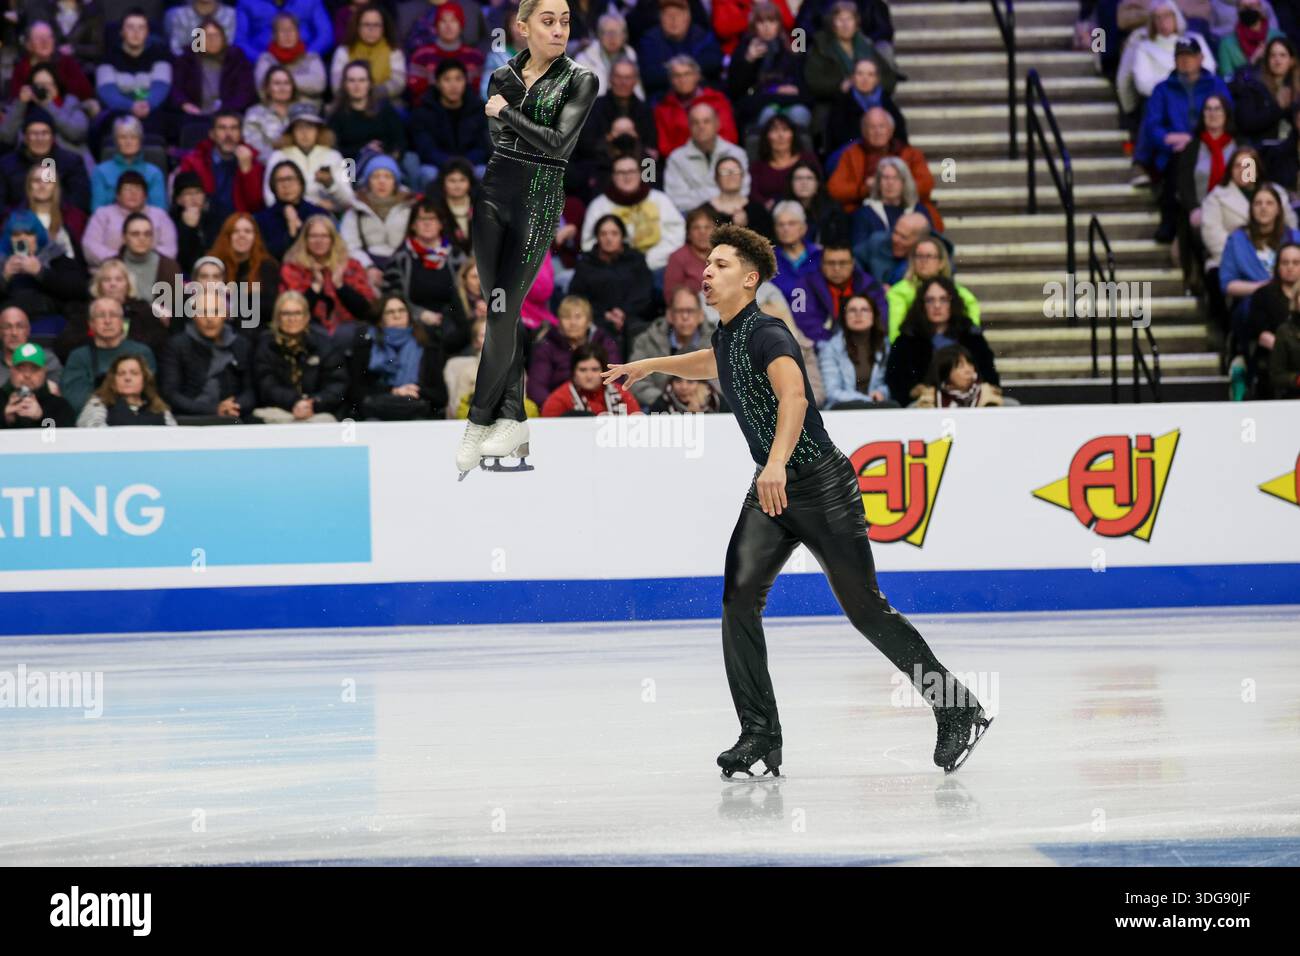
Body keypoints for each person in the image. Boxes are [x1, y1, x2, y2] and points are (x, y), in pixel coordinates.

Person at [602, 224, 992, 778]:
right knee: (738, 601)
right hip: (773, 490)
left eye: (719, 265)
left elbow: (794, 394)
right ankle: (759, 733)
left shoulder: (770, 332)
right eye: (705, 265)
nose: (706, 273)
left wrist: (777, 462)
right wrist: (651, 365)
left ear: (750, 278)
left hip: (819, 485)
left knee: (866, 611)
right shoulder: (727, 335)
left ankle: (957, 709)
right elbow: (715, 364)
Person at [456, 0, 599, 476]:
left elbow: (558, 144)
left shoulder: (581, 79)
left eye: (564, 22)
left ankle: (479, 421)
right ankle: (513, 417)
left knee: (502, 310)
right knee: (497, 307)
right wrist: (518, 124)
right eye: (548, 21)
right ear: (522, 27)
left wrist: (508, 116)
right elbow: (505, 143)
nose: (559, 30)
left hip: (538, 202)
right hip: (494, 194)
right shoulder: (502, 79)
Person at [886, 276, 1001, 404]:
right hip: (924, 404)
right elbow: (897, 382)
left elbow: (989, 374)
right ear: (921, 304)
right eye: (930, 300)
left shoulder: (971, 335)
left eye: (943, 299)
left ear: (953, 303)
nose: (937, 305)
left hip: (972, 400)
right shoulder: (907, 338)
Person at [159, 282, 255, 422]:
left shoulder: (241, 344)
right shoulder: (176, 345)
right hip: (189, 418)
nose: (209, 319)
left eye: (216, 312)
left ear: (226, 315)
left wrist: (233, 407)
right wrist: (214, 409)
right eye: (203, 312)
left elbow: (251, 391)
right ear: (193, 315)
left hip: (234, 416)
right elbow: (170, 393)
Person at [251, 291, 348, 422]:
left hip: (316, 411)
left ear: (307, 316)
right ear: (277, 317)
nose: (292, 318)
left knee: (325, 421)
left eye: (297, 313)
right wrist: (294, 402)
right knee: (261, 417)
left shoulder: (323, 345)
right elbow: (266, 385)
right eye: (286, 313)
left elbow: (336, 383)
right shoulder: (266, 346)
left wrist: (313, 403)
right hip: (279, 410)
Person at [357, 294, 448, 420]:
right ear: (380, 318)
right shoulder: (368, 346)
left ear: (409, 315)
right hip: (378, 412)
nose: (397, 316)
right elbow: (357, 392)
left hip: (417, 410)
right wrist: (393, 391)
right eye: (390, 312)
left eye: (401, 310)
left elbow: (440, 396)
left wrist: (417, 391)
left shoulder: (426, 346)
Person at [60, 297, 156, 413]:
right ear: (91, 324)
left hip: (136, 416)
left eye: (114, 315)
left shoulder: (141, 352)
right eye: (101, 316)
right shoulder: (78, 357)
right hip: (92, 419)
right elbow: (76, 398)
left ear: (122, 322)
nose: (107, 321)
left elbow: (149, 393)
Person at [627, 283, 717, 407]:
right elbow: (635, 380)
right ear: (670, 315)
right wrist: (666, 401)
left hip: (708, 407)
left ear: (701, 315)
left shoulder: (717, 341)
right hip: (660, 408)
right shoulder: (647, 341)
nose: (685, 317)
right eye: (679, 311)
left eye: (690, 311)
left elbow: (726, 379)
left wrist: (704, 397)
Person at [526, 293, 622, 404]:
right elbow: (536, 387)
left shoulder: (605, 343)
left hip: (601, 406)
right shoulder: (547, 347)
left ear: (589, 321)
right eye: (566, 317)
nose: (572, 323)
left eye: (578, 317)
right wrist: (555, 408)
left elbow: (616, 381)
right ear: (559, 321)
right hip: (559, 409)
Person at [816, 293, 893, 408]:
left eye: (864, 310)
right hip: (842, 409)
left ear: (874, 315)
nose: (858, 314)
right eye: (852, 310)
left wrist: (881, 393)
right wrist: (867, 400)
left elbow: (888, 384)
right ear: (844, 316)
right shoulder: (830, 348)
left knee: (894, 405)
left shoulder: (884, 345)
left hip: (876, 409)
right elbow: (832, 392)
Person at [77, 353, 177, 426]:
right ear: (113, 380)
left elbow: (175, 439)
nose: (127, 378)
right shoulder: (98, 404)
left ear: (144, 379)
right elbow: (93, 436)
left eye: (134, 373)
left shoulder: (159, 408)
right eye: (121, 374)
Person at [539, 342, 639, 415]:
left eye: (594, 370)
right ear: (573, 372)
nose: (589, 376)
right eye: (583, 370)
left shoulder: (621, 394)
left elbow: (637, 424)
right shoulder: (558, 400)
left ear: (604, 371)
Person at [1, 341, 75, 428]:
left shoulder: (59, 405)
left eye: (34, 369)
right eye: (21, 369)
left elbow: (65, 438)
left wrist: (41, 417)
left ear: (44, 372)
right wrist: (4, 419)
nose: (27, 375)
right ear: (11, 370)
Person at [910, 344, 1006, 408]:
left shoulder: (992, 399)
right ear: (945, 373)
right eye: (960, 366)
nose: (968, 370)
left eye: (970, 364)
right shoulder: (926, 402)